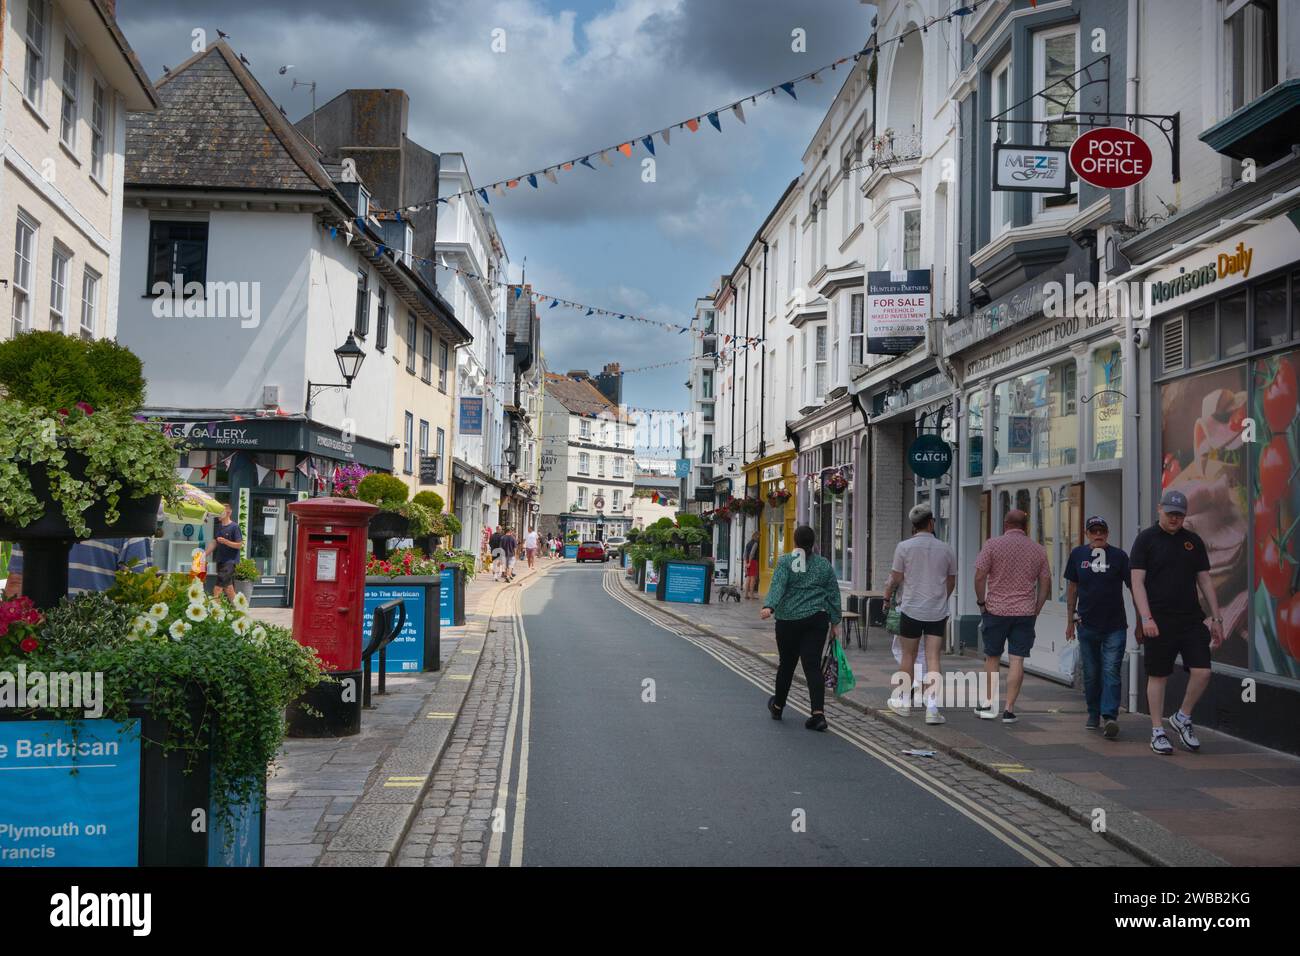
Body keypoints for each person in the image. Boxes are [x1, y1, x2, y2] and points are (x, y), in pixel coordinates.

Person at [1130, 489, 1223, 756]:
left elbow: (1205, 580)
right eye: (1170, 513)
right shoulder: (1145, 540)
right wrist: (1146, 617)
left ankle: (1182, 717)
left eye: (1179, 515)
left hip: (1191, 618)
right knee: (1158, 675)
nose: (1175, 519)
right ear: (1159, 509)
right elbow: (1137, 583)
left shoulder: (1192, 541)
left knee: (1203, 671)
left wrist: (1216, 618)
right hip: (1158, 620)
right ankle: (1157, 730)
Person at [759, 525, 843, 732]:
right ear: (813, 543)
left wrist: (769, 606)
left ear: (795, 542)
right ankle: (818, 714)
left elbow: (778, 585)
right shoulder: (823, 565)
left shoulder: (786, 561)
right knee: (812, 666)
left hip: (788, 621)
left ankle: (778, 706)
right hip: (816, 620)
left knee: (787, 664)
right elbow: (833, 593)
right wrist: (835, 621)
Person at [973, 509, 1050, 723]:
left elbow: (979, 576)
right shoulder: (1038, 550)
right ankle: (1009, 709)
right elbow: (1045, 583)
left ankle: (989, 703)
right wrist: (1037, 607)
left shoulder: (992, 545)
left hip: (996, 610)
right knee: (1017, 659)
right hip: (1025, 612)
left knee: (992, 657)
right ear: (1025, 527)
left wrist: (981, 602)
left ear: (1005, 524)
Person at [883, 503, 956, 724]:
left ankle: (904, 702)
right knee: (933, 657)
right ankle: (932, 708)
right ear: (931, 522)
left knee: (908, 656)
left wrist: (886, 597)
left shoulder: (903, 547)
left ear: (914, 525)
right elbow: (951, 581)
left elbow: (895, 578)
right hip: (936, 610)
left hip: (911, 609)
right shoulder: (946, 548)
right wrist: (940, 598)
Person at [1064, 515, 1132, 739]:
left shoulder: (1119, 556)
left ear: (1108, 533)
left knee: (1111, 669)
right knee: (1092, 673)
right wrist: (1070, 620)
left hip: (1115, 624)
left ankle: (1109, 716)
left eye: (1101, 531)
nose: (1098, 535)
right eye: (1093, 531)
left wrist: (1142, 619)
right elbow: (1072, 588)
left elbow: (1134, 587)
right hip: (1087, 623)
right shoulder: (1077, 555)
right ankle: (1093, 712)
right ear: (1086, 534)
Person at [4, 537, 153, 598]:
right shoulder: (130, 515)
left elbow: (16, 583)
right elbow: (138, 591)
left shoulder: (34, 514)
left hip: (41, 631)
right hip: (100, 636)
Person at [206, 505, 244, 601]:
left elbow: (239, 545)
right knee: (229, 589)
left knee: (218, 588)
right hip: (220, 561)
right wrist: (204, 554)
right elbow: (214, 542)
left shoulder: (235, 527)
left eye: (220, 512)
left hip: (230, 562)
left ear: (228, 513)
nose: (218, 514)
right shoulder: (219, 527)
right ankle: (240, 610)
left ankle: (215, 613)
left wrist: (226, 541)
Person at [743, 531, 761, 599]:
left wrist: (746, 563)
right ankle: (751, 595)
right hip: (753, 562)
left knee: (748, 578)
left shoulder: (748, 543)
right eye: (759, 536)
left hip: (747, 561)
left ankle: (746, 594)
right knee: (753, 578)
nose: (759, 538)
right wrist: (750, 563)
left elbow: (744, 554)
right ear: (756, 536)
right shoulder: (755, 543)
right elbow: (752, 553)